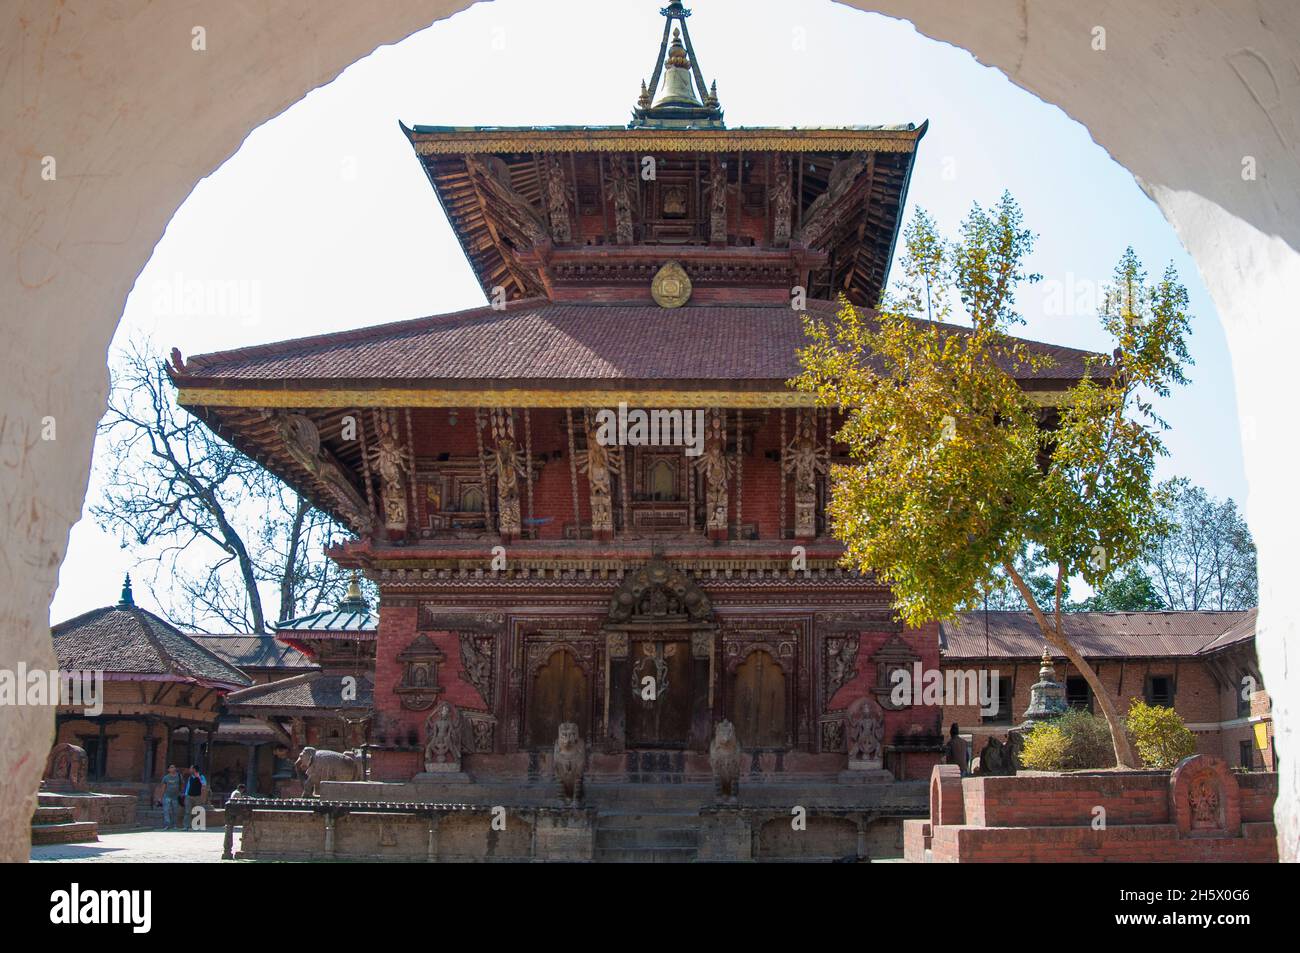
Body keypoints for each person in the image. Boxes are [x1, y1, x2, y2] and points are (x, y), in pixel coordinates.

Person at [155, 764, 182, 830]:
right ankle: (167, 825)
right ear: (168, 770)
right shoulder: (166, 777)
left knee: (175, 811)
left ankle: (175, 825)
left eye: (174, 767)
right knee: (166, 810)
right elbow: (163, 788)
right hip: (167, 796)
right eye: (171, 767)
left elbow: (182, 785)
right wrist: (160, 798)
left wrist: (181, 793)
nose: (173, 768)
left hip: (175, 797)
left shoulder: (179, 776)